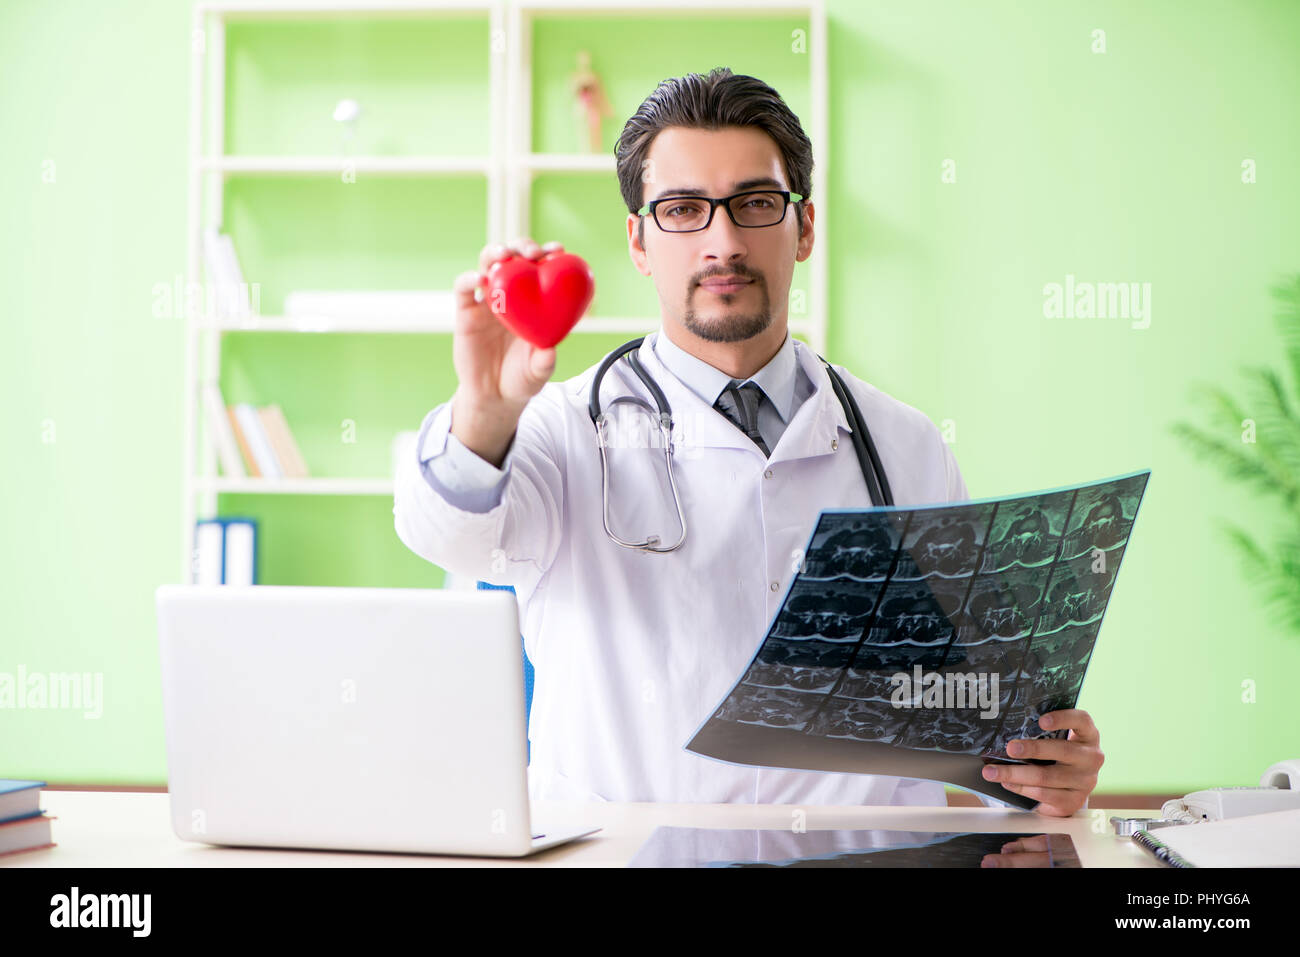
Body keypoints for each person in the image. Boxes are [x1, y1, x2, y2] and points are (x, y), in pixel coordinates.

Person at [394, 67, 1103, 815]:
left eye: (756, 203)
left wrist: (1041, 773)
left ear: (805, 227)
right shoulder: (565, 430)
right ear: (638, 240)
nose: (722, 241)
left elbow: (979, 719)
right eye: (683, 209)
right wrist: (484, 406)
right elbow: (449, 536)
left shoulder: (906, 446)